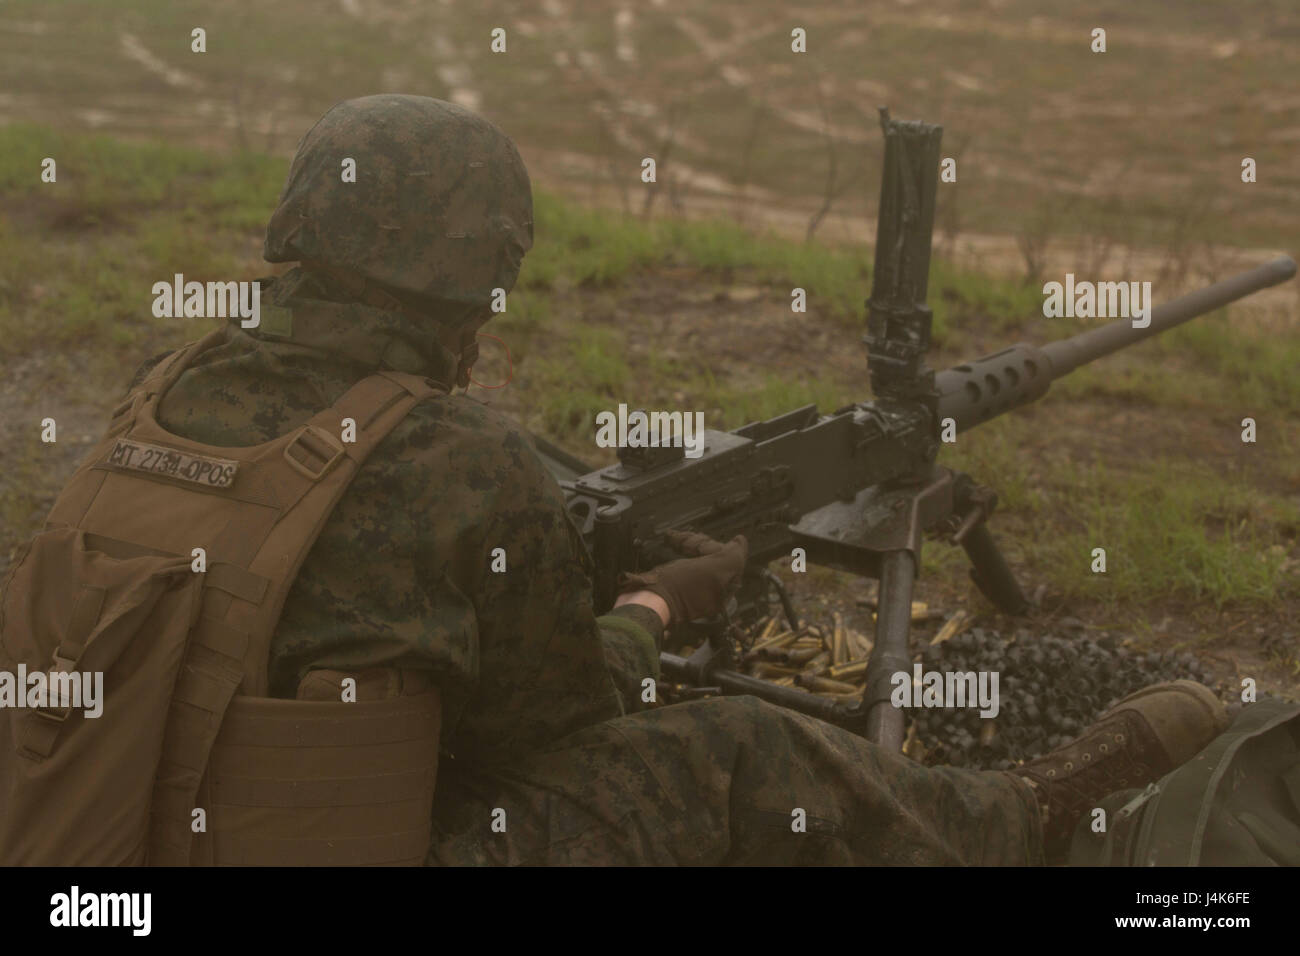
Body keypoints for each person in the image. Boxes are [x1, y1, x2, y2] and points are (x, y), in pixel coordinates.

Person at [126, 94, 1228, 865]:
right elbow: (553, 725)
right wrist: (657, 607)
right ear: (472, 273)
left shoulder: (166, 385)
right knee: (734, 745)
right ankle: (1020, 821)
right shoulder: (458, 461)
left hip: (123, 822)